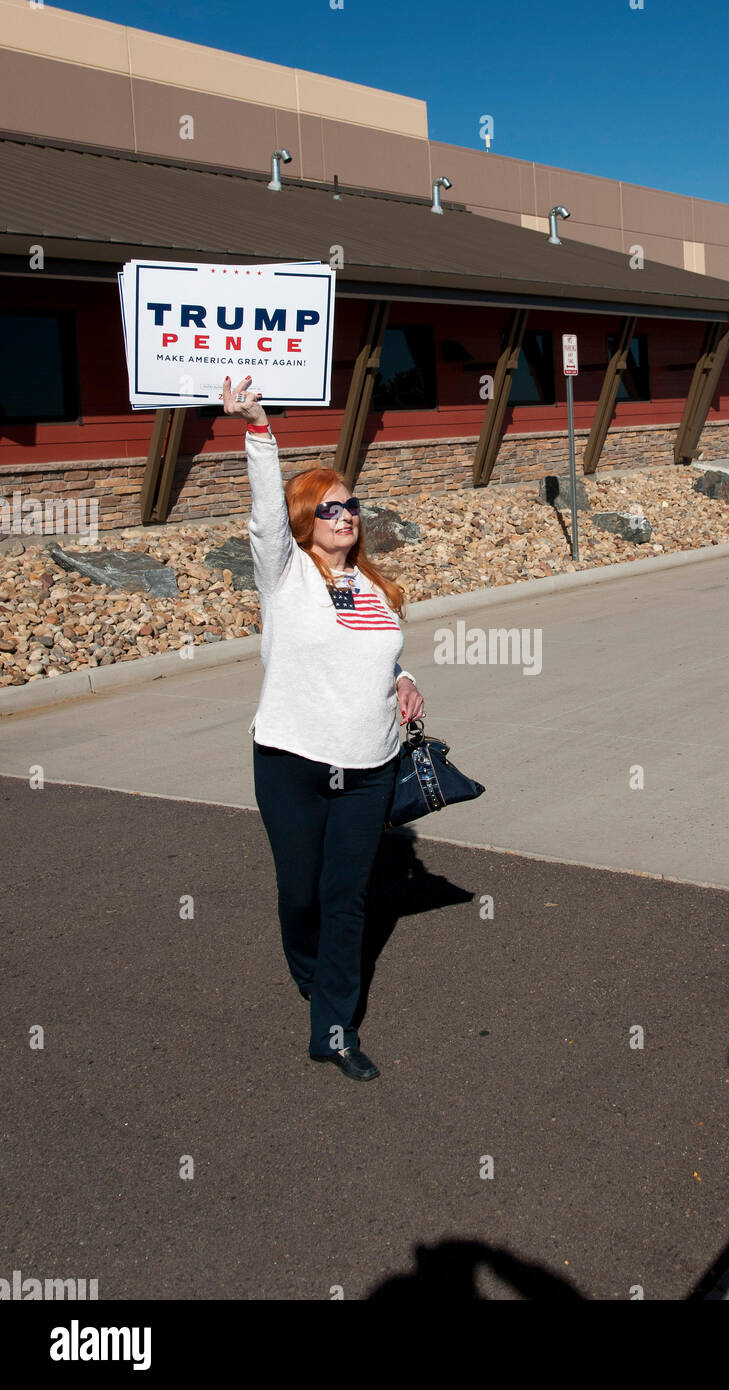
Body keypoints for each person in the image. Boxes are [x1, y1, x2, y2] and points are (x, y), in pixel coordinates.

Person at [222, 374, 424, 1082]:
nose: (346, 516)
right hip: (291, 761)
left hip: (370, 766)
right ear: (308, 519)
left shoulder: (375, 589)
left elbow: (381, 654)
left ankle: (333, 1027)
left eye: (353, 505)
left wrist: (404, 679)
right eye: (331, 508)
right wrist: (258, 428)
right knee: (301, 894)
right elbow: (263, 515)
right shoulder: (285, 577)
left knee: (348, 898)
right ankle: (311, 977)